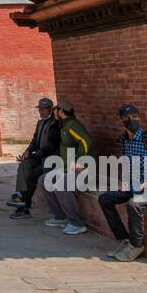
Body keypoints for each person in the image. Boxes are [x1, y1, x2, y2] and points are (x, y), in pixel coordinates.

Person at [97, 105, 147, 262]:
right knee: (105, 199)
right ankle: (124, 239)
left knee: (134, 204)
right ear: (121, 120)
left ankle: (136, 245)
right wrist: (123, 180)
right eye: (127, 118)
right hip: (135, 185)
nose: (132, 121)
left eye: (135, 117)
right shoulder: (125, 140)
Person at [40, 98, 92, 236]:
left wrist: (79, 160)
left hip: (83, 170)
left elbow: (86, 142)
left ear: (61, 111)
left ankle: (76, 223)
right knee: (44, 180)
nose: (53, 112)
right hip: (66, 168)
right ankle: (60, 217)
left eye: (55, 110)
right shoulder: (63, 125)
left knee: (61, 185)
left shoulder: (72, 126)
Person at [9, 97, 60, 218]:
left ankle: (24, 206)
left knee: (32, 175)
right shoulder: (40, 122)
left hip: (50, 159)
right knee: (24, 165)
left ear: (50, 109)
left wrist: (33, 154)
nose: (41, 112)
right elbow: (34, 142)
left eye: (44, 109)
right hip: (39, 156)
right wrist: (27, 151)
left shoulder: (54, 124)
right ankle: (19, 196)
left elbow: (49, 147)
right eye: (40, 109)